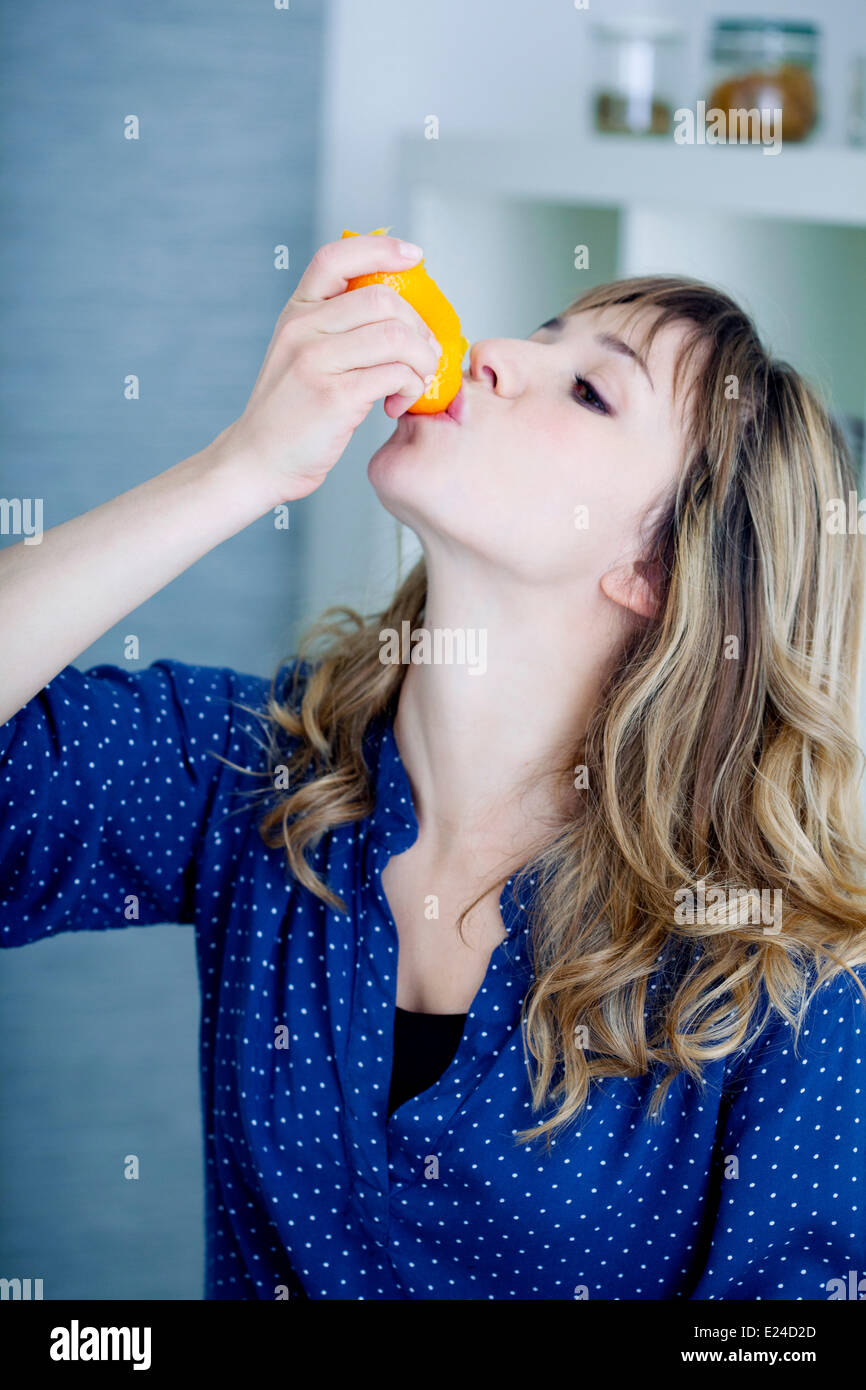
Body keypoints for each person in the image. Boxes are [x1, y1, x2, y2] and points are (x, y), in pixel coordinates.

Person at [1, 232, 865, 1301]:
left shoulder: (782, 988)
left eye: (589, 389)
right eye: (541, 335)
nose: (495, 350)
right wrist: (238, 470)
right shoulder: (260, 774)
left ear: (652, 568)